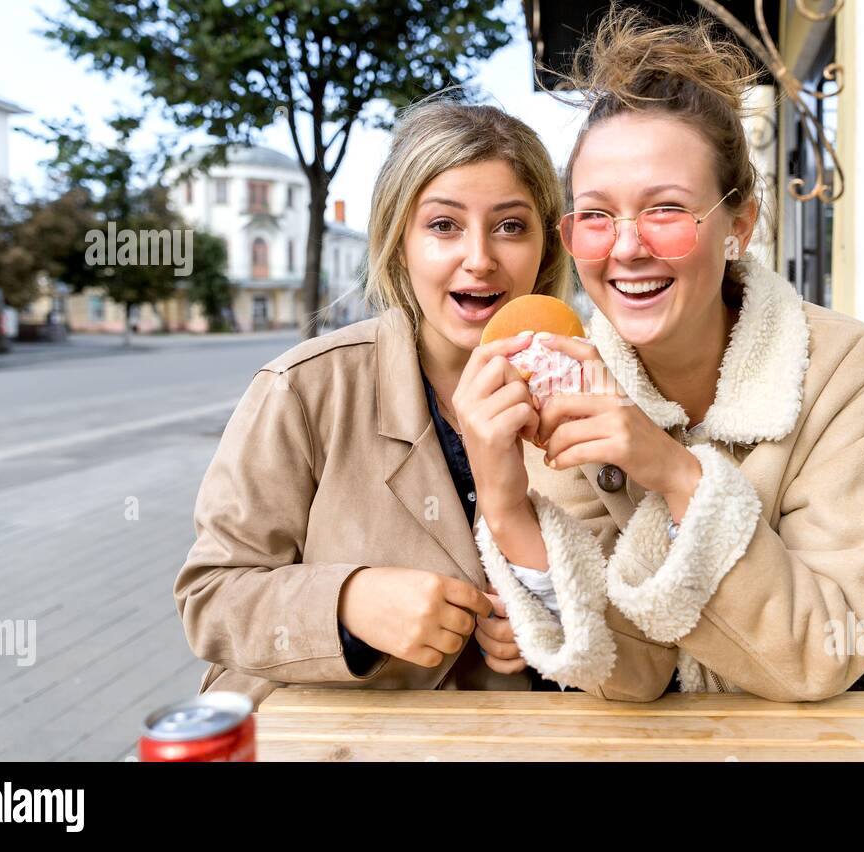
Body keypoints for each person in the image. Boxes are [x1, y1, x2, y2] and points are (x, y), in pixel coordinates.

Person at [455, 9, 864, 701]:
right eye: (597, 215)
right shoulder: (558, 377)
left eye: (665, 209)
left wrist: (676, 475)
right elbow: (624, 675)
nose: (627, 247)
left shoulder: (847, 371)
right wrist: (507, 507)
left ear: (740, 223)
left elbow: (826, 654)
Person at [174, 98, 571, 707]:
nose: (480, 257)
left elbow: (635, 607)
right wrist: (349, 604)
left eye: (510, 225)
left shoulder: (587, 389)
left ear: (546, 245)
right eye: (443, 225)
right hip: (330, 741)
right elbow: (211, 597)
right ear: (398, 240)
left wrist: (552, 626)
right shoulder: (304, 389)